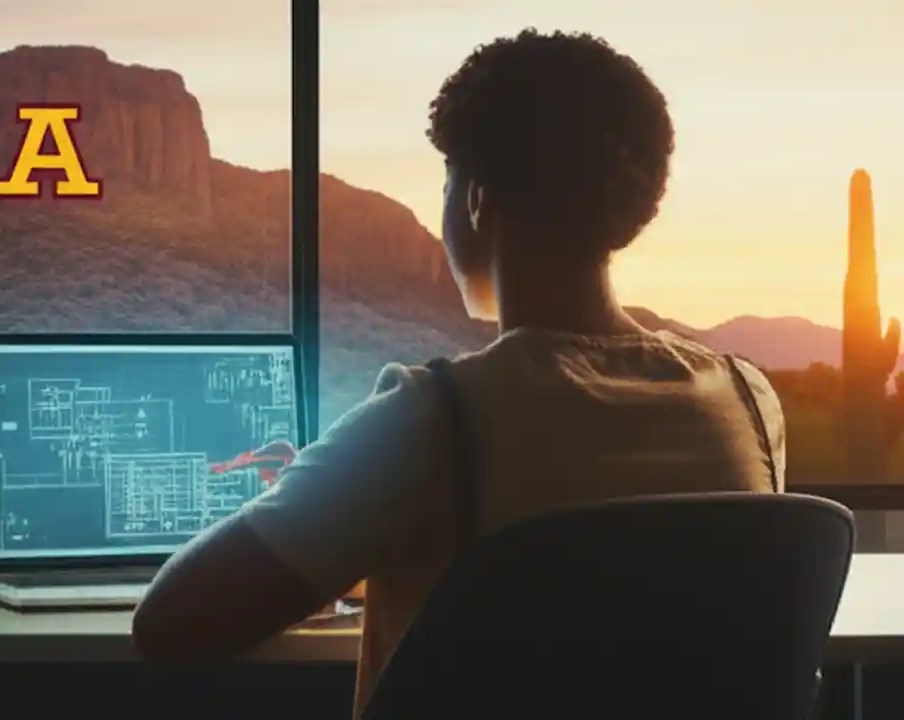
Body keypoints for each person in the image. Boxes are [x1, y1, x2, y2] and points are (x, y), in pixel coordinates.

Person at [132, 29, 790, 716]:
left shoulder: (436, 420)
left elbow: (171, 625)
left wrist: (319, 495)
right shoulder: (749, 402)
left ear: (476, 199)